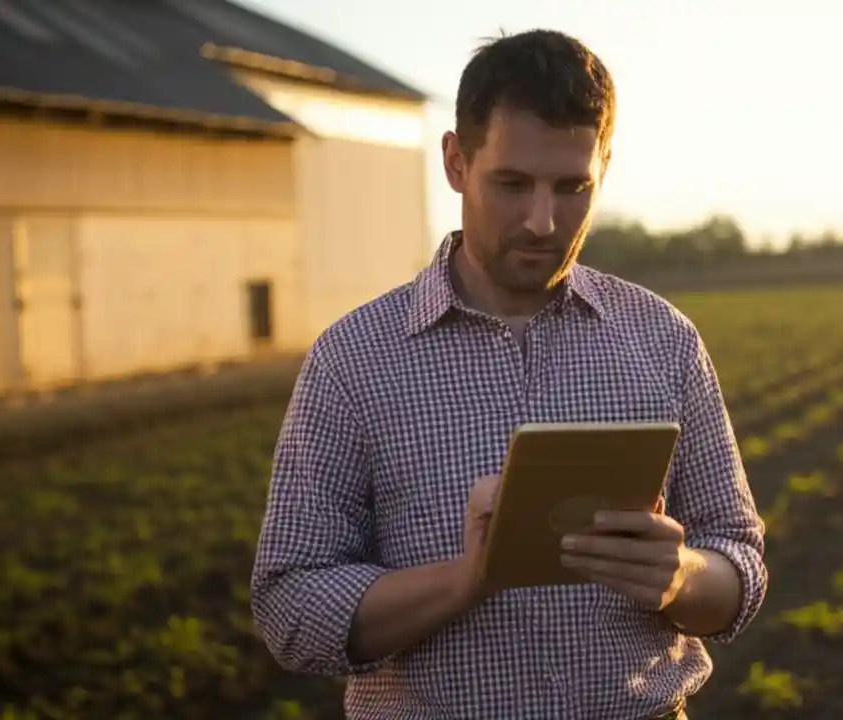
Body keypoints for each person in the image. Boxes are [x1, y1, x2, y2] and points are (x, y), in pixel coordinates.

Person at [251, 28, 767, 720]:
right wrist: (463, 581)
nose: (542, 221)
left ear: (603, 168)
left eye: (572, 187)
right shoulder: (354, 359)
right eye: (513, 184)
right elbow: (290, 605)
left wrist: (679, 578)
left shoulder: (663, 339)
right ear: (456, 161)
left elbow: (740, 563)